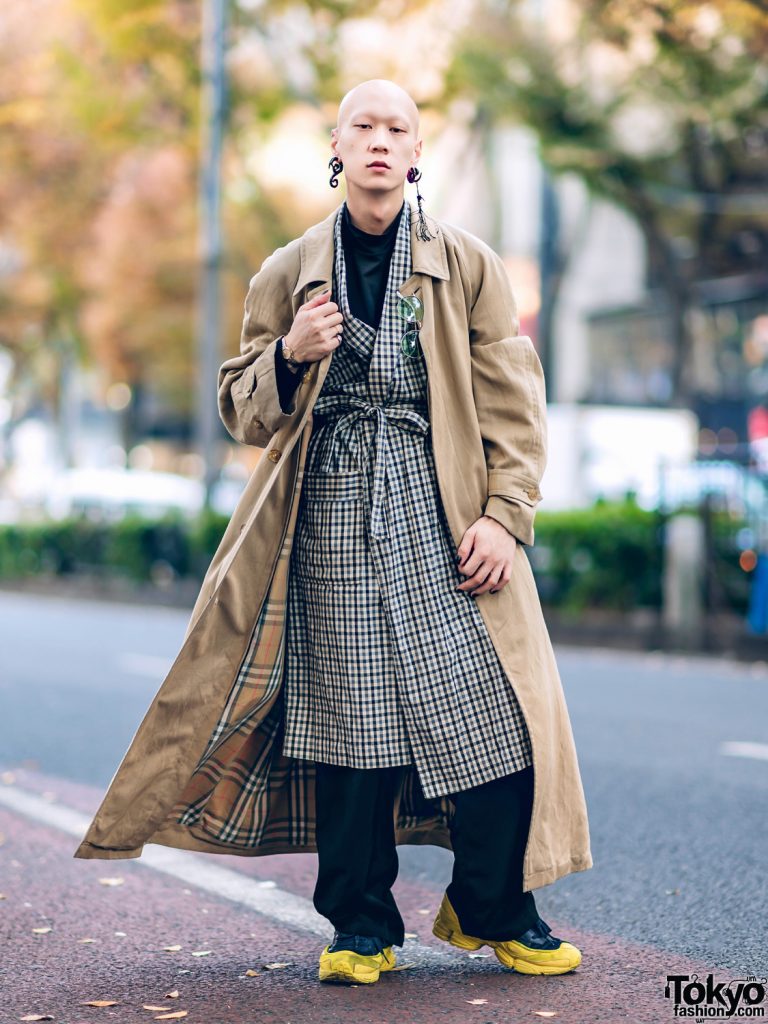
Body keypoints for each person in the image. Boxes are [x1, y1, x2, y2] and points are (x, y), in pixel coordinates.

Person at [267, 79, 584, 986]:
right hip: (332, 510)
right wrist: (289, 353)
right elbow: (239, 404)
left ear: (416, 153)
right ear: (337, 144)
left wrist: (504, 516)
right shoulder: (291, 269)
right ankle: (360, 928)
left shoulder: (468, 264)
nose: (379, 141)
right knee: (351, 725)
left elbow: (515, 404)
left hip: (445, 507)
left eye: (396, 128)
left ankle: (493, 907)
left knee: (494, 709)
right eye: (362, 126)